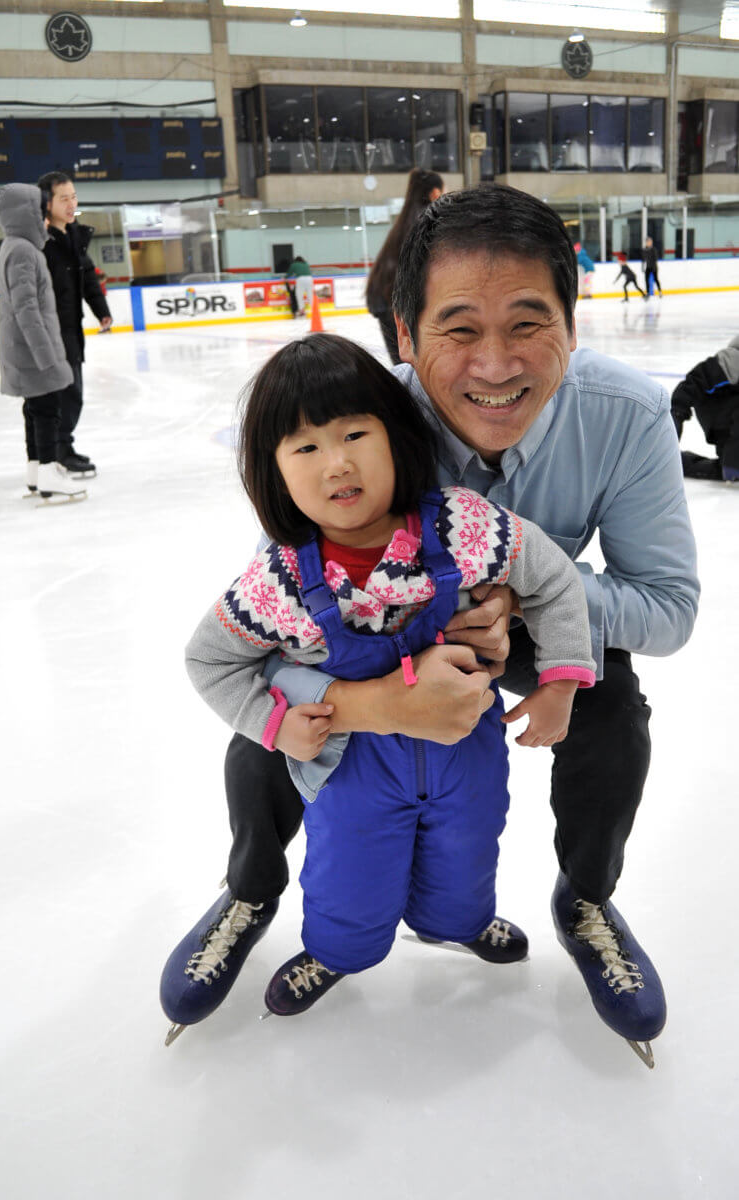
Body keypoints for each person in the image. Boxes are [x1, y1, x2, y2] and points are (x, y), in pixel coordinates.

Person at [162, 184, 699, 1068]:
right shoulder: (360, 419)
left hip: (535, 623)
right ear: (406, 336)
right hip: (375, 645)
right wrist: (370, 704)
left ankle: (585, 899)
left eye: (527, 322)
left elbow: (667, 609)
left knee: (611, 711)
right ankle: (250, 888)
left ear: (571, 321)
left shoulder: (625, 417)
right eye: (458, 329)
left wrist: (524, 601)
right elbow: (280, 608)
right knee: (271, 726)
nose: (494, 364)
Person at [161, 332, 595, 1033]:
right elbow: (209, 660)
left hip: (467, 752)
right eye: (305, 447)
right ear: (273, 472)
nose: (336, 462)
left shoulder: (463, 525)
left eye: (355, 434)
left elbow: (552, 580)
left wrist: (560, 682)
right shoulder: (279, 579)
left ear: (396, 436)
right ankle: (335, 951)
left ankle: (459, 923)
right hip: (351, 769)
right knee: (348, 877)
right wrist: (272, 723)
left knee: (468, 851)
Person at [0, 182, 84, 502]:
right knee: (46, 410)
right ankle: (47, 472)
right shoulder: (23, 251)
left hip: (24, 348)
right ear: (24, 214)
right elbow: (27, 308)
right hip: (32, 351)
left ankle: (36, 470)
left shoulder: (15, 246)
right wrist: (46, 357)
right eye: (38, 210)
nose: (44, 217)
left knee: (34, 410)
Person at [37, 171, 113, 478]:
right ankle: (58, 451)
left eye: (74, 197)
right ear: (47, 203)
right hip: (51, 331)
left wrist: (101, 310)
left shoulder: (74, 237)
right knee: (63, 393)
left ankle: (63, 446)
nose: (71, 204)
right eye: (63, 198)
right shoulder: (41, 241)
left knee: (73, 392)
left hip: (72, 328)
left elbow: (88, 277)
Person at [366, 168, 443, 363]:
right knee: (417, 370)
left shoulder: (402, 224)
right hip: (402, 308)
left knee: (405, 370)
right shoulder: (431, 224)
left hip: (384, 303)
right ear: (435, 193)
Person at [671, 334, 739, 482]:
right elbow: (691, 385)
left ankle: (730, 464)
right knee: (733, 465)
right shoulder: (733, 361)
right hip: (718, 410)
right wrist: (677, 413)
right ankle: (730, 464)